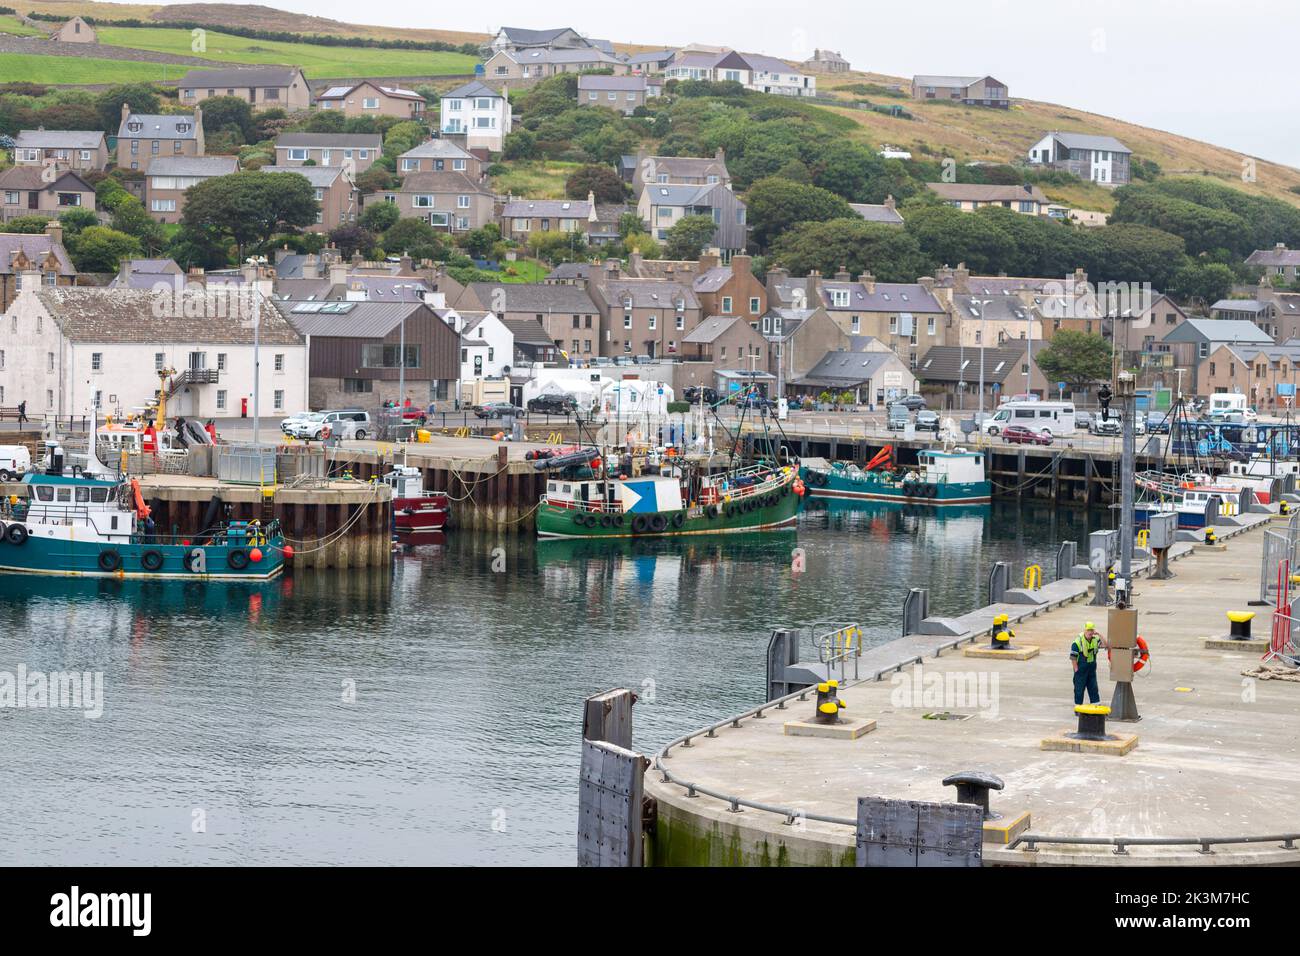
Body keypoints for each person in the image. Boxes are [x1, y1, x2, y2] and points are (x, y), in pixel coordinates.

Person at [1070, 622, 1109, 706]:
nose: (1090, 632)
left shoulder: (1095, 640)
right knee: (1079, 689)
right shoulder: (1077, 642)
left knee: (1093, 687)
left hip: (1091, 669)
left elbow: (1106, 645)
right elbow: (1073, 657)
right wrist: (1076, 669)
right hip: (1081, 669)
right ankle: (1078, 707)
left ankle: (1095, 705)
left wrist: (1099, 634)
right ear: (1084, 630)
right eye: (1088, 630)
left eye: (1092, 630)